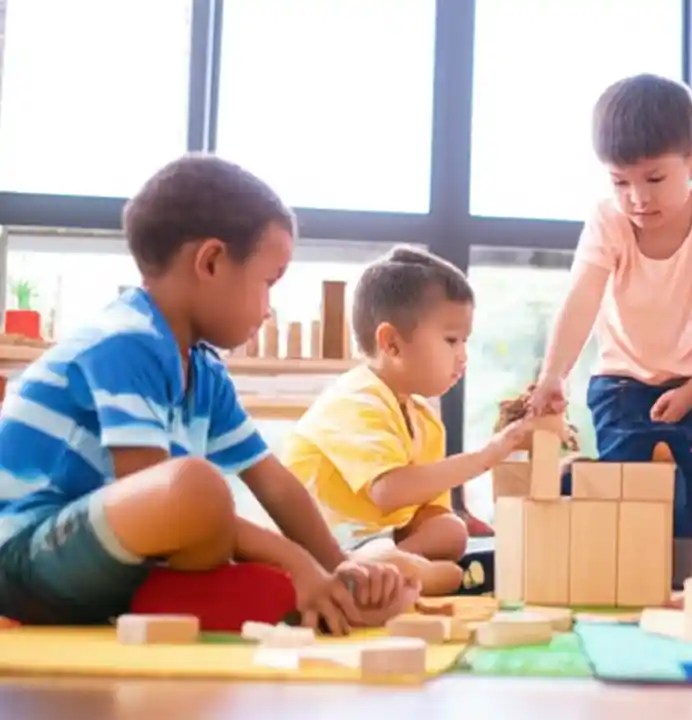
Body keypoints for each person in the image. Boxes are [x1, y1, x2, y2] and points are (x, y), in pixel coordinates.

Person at [0, 154, 410, 633]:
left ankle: (195, 603)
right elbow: (163, 496)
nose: (268, 309)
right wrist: (296, 561)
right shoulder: (126, 342)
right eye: (268, 282)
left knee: (277, 587)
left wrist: (336, 565)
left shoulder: (204, 371)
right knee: (195, 488)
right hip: (23, 556)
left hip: (109, 568)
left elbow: (273, 483)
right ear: (211, 261)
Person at [527, 74, 692, 537]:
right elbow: (582, 299)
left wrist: (691, 391)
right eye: (620, 181)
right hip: (622, 386)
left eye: (654, 178)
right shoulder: (608, 220)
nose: (638, 197)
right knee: (632, 509)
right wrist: (553, 374)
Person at [280, 245, 535, 596]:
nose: (462, 356)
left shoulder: (424, 418)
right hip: (324, 544)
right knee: (444, 571)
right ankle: (377, 571)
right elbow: (389, 491)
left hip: (379, 541)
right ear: (391, 343)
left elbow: (428, 507)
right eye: (451, 340)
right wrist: (486, 457)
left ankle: (387, 571)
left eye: (465, 341)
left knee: (450, 531)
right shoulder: (357, 398)